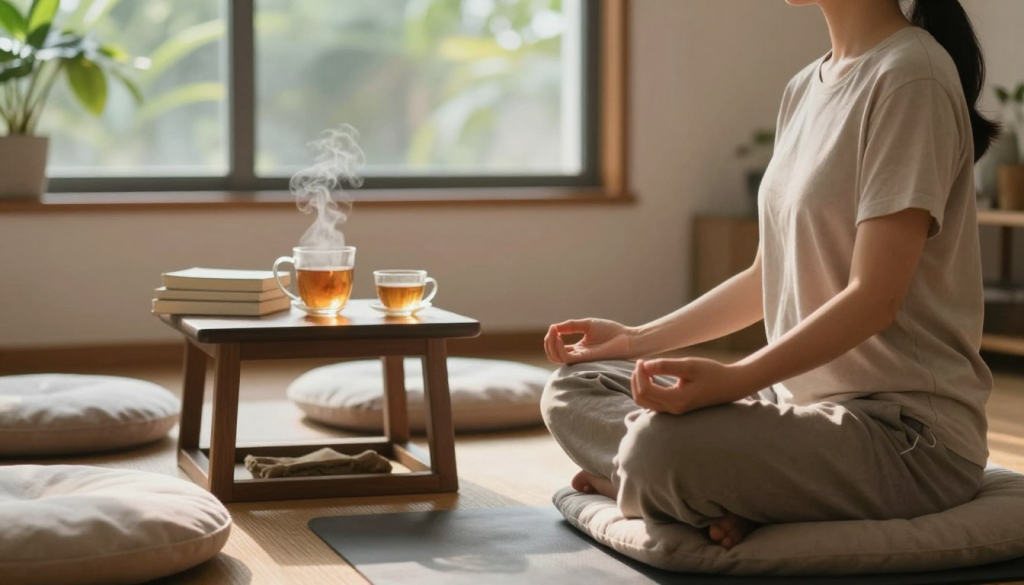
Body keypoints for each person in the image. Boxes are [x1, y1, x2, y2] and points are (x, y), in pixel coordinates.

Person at [541, 0, 998, 550]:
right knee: (574, 387)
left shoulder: (912, 77)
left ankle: (667, 482)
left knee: (656, 449)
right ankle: (723, 492)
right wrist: (634, 339)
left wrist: (736, 380)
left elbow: (874, 298)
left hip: (906, 439)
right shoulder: (804, 88)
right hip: (799, 414)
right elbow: (767, 276)